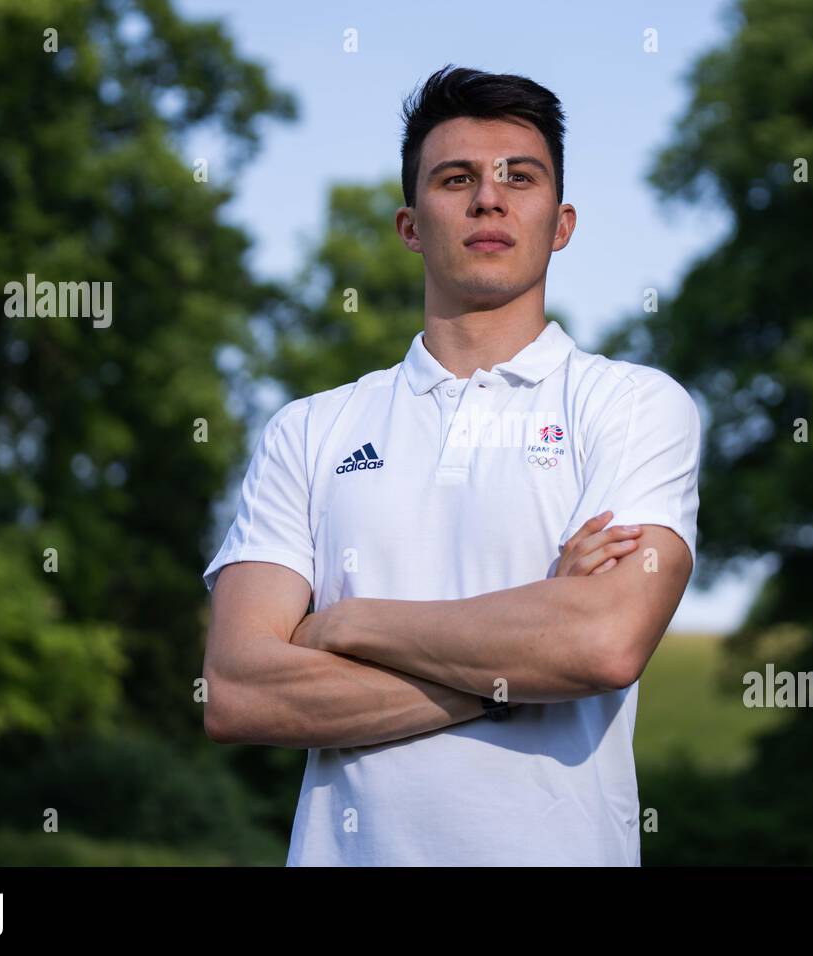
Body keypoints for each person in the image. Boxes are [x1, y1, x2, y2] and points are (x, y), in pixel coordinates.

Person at [201, 65, 701, 866]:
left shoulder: (633, 406)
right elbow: (238, 690)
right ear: (410, 225)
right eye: (456, 177)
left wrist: (348, 625)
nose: (489, 199)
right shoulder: (310, 429)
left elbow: (604, 644)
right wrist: (527, 655)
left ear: (562, 222)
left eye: (520, 177)